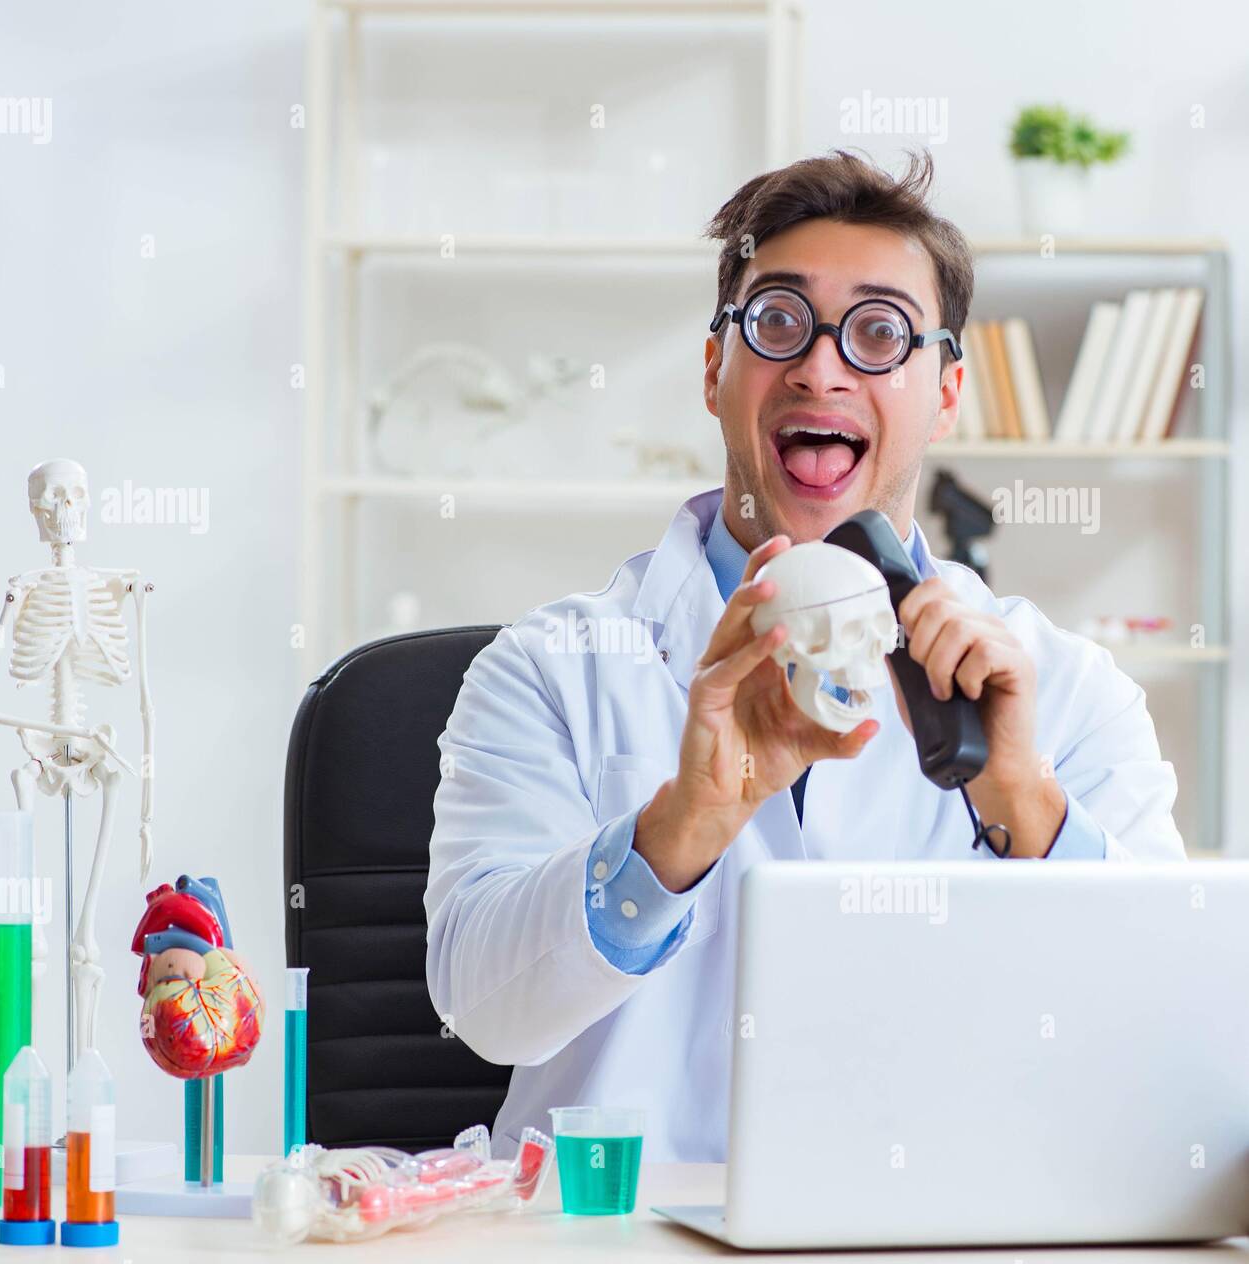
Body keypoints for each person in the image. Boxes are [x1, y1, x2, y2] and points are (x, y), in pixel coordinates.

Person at [424, 149, 1185, 1163]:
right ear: (712, 370)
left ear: (947, 391)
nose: (821, 368)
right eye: (777, 320)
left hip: (928, 1243)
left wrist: (1024, 809)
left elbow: (1165, 1035)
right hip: (610, 1245)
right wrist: (680, 824)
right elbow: (483, 1006)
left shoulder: (1071, 694)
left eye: (879, 332)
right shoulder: (548, 667)